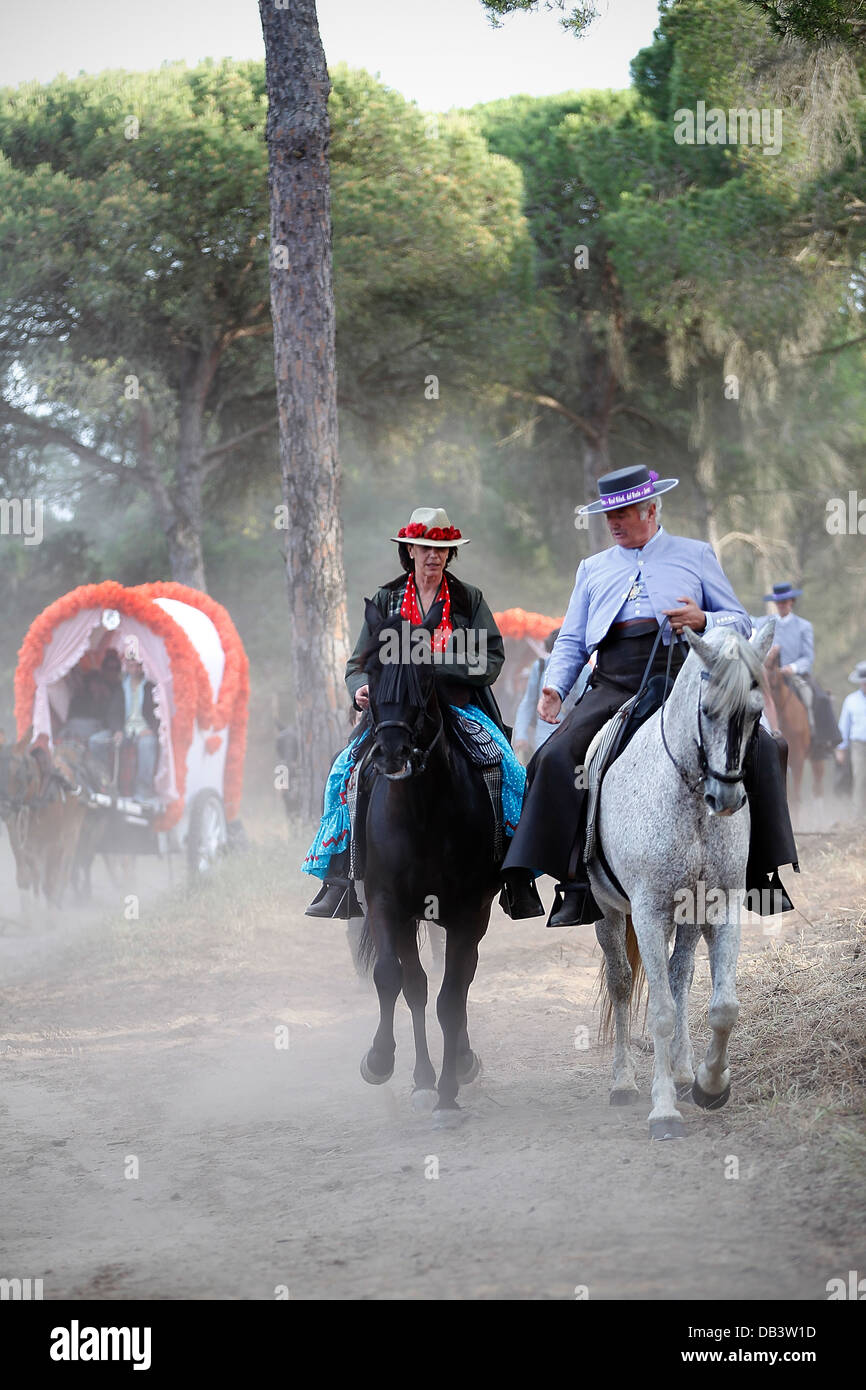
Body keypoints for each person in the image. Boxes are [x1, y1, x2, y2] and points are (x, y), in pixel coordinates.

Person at [500, 465, 799, 926]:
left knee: (765, 745)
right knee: (555, 757)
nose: (615, 523)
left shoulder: (696, 555)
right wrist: (555, 686)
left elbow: (740, 621)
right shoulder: (593, 569)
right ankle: (572, 882)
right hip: (616, 681)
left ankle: (761, 872)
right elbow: (573, 641)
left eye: (623, 513)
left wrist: (703, 620)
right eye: (609, 517)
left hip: (687, 676)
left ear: (652, 508)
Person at [304, 506, 542, 919]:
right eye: (426, 547)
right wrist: (360, 688)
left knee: (510, 770)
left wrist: (429, 666)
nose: (434, 555)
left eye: (442, 548)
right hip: (395, 711)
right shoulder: (385, 598)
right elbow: (359, 664)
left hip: (459, 706)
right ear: (410, 549)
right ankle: (340, 876)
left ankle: (516, 878)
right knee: (343, 769)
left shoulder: (469, 599)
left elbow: (491, 656)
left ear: (450, 553)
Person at [758, 582, 838, 751]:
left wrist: (792, 668)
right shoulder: (764, 623)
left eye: (785, 602)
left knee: (815, 696)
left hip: (794, 675)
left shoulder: (804, 626)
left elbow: (808, 657)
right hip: (769, 675)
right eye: (779, 602)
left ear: (791, 602)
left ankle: (818, 736)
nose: (781, 605)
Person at [513, 628, 592, 762]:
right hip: (544, 735)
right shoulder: (540, 667)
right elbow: (528, 702)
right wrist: (521, 735)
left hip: (573, 733)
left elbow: (586, 703)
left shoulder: (584, 669)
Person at [836, 660, 866, 816]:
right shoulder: (851, 700)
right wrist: (841, 748)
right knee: (860, 777)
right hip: (858, 744)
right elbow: (844, 726)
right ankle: (858, 814)